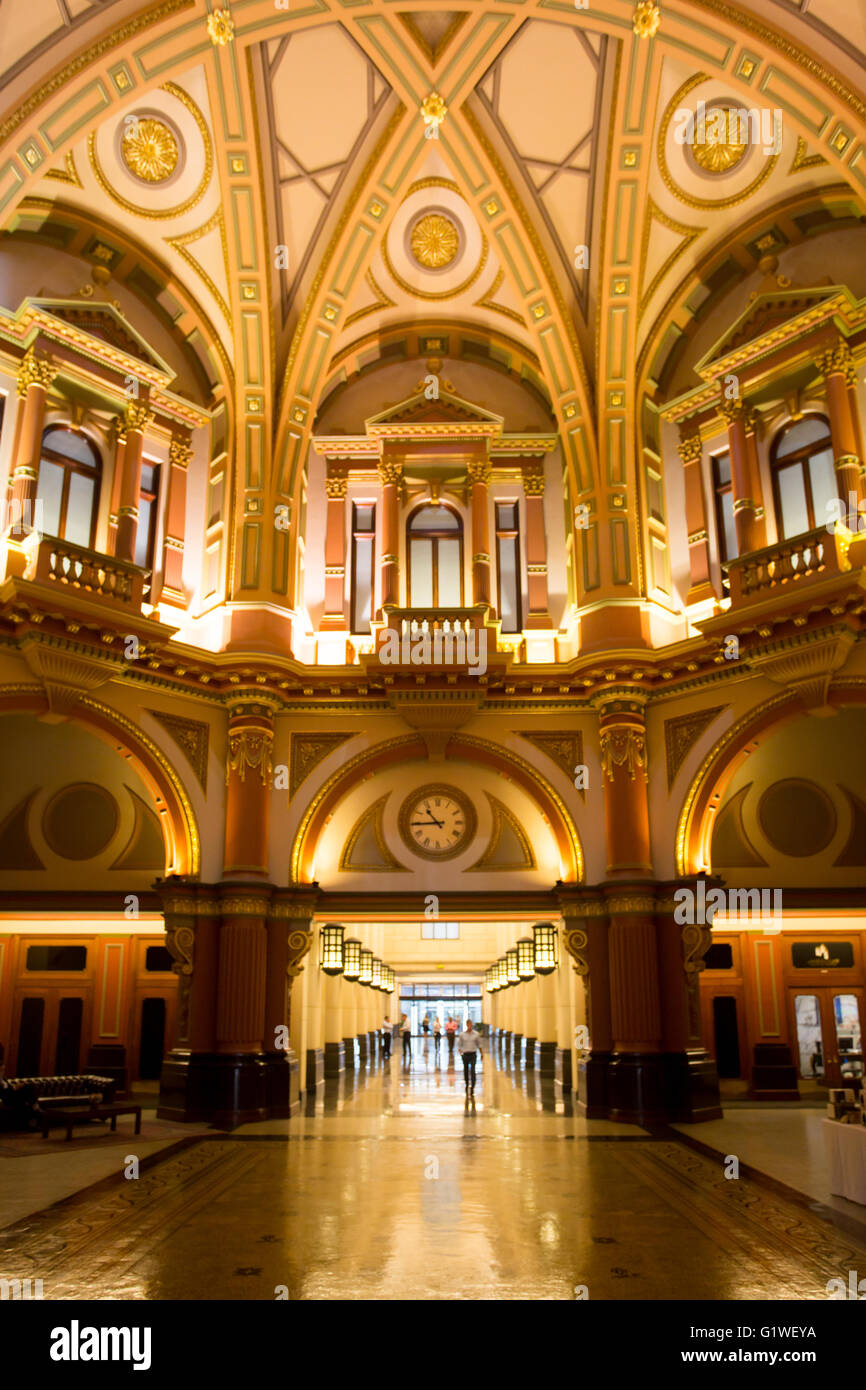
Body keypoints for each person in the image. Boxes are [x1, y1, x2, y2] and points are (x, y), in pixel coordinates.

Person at [457, 1018, 482, 1092]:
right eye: (468, 1024)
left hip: (473, 1054)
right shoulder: (462, 1035)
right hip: (465, 1055)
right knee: (466, 1070)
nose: (469, 1026)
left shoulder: (476, 1034)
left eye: (470, 1024)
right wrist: (461, 1053)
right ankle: (467, 1083)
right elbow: (459, 1045)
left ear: (472, 1025)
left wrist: (481, 1054)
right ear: (466, 1025)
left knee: (473, 1070)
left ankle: (473, 1085)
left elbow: (479, 1045)